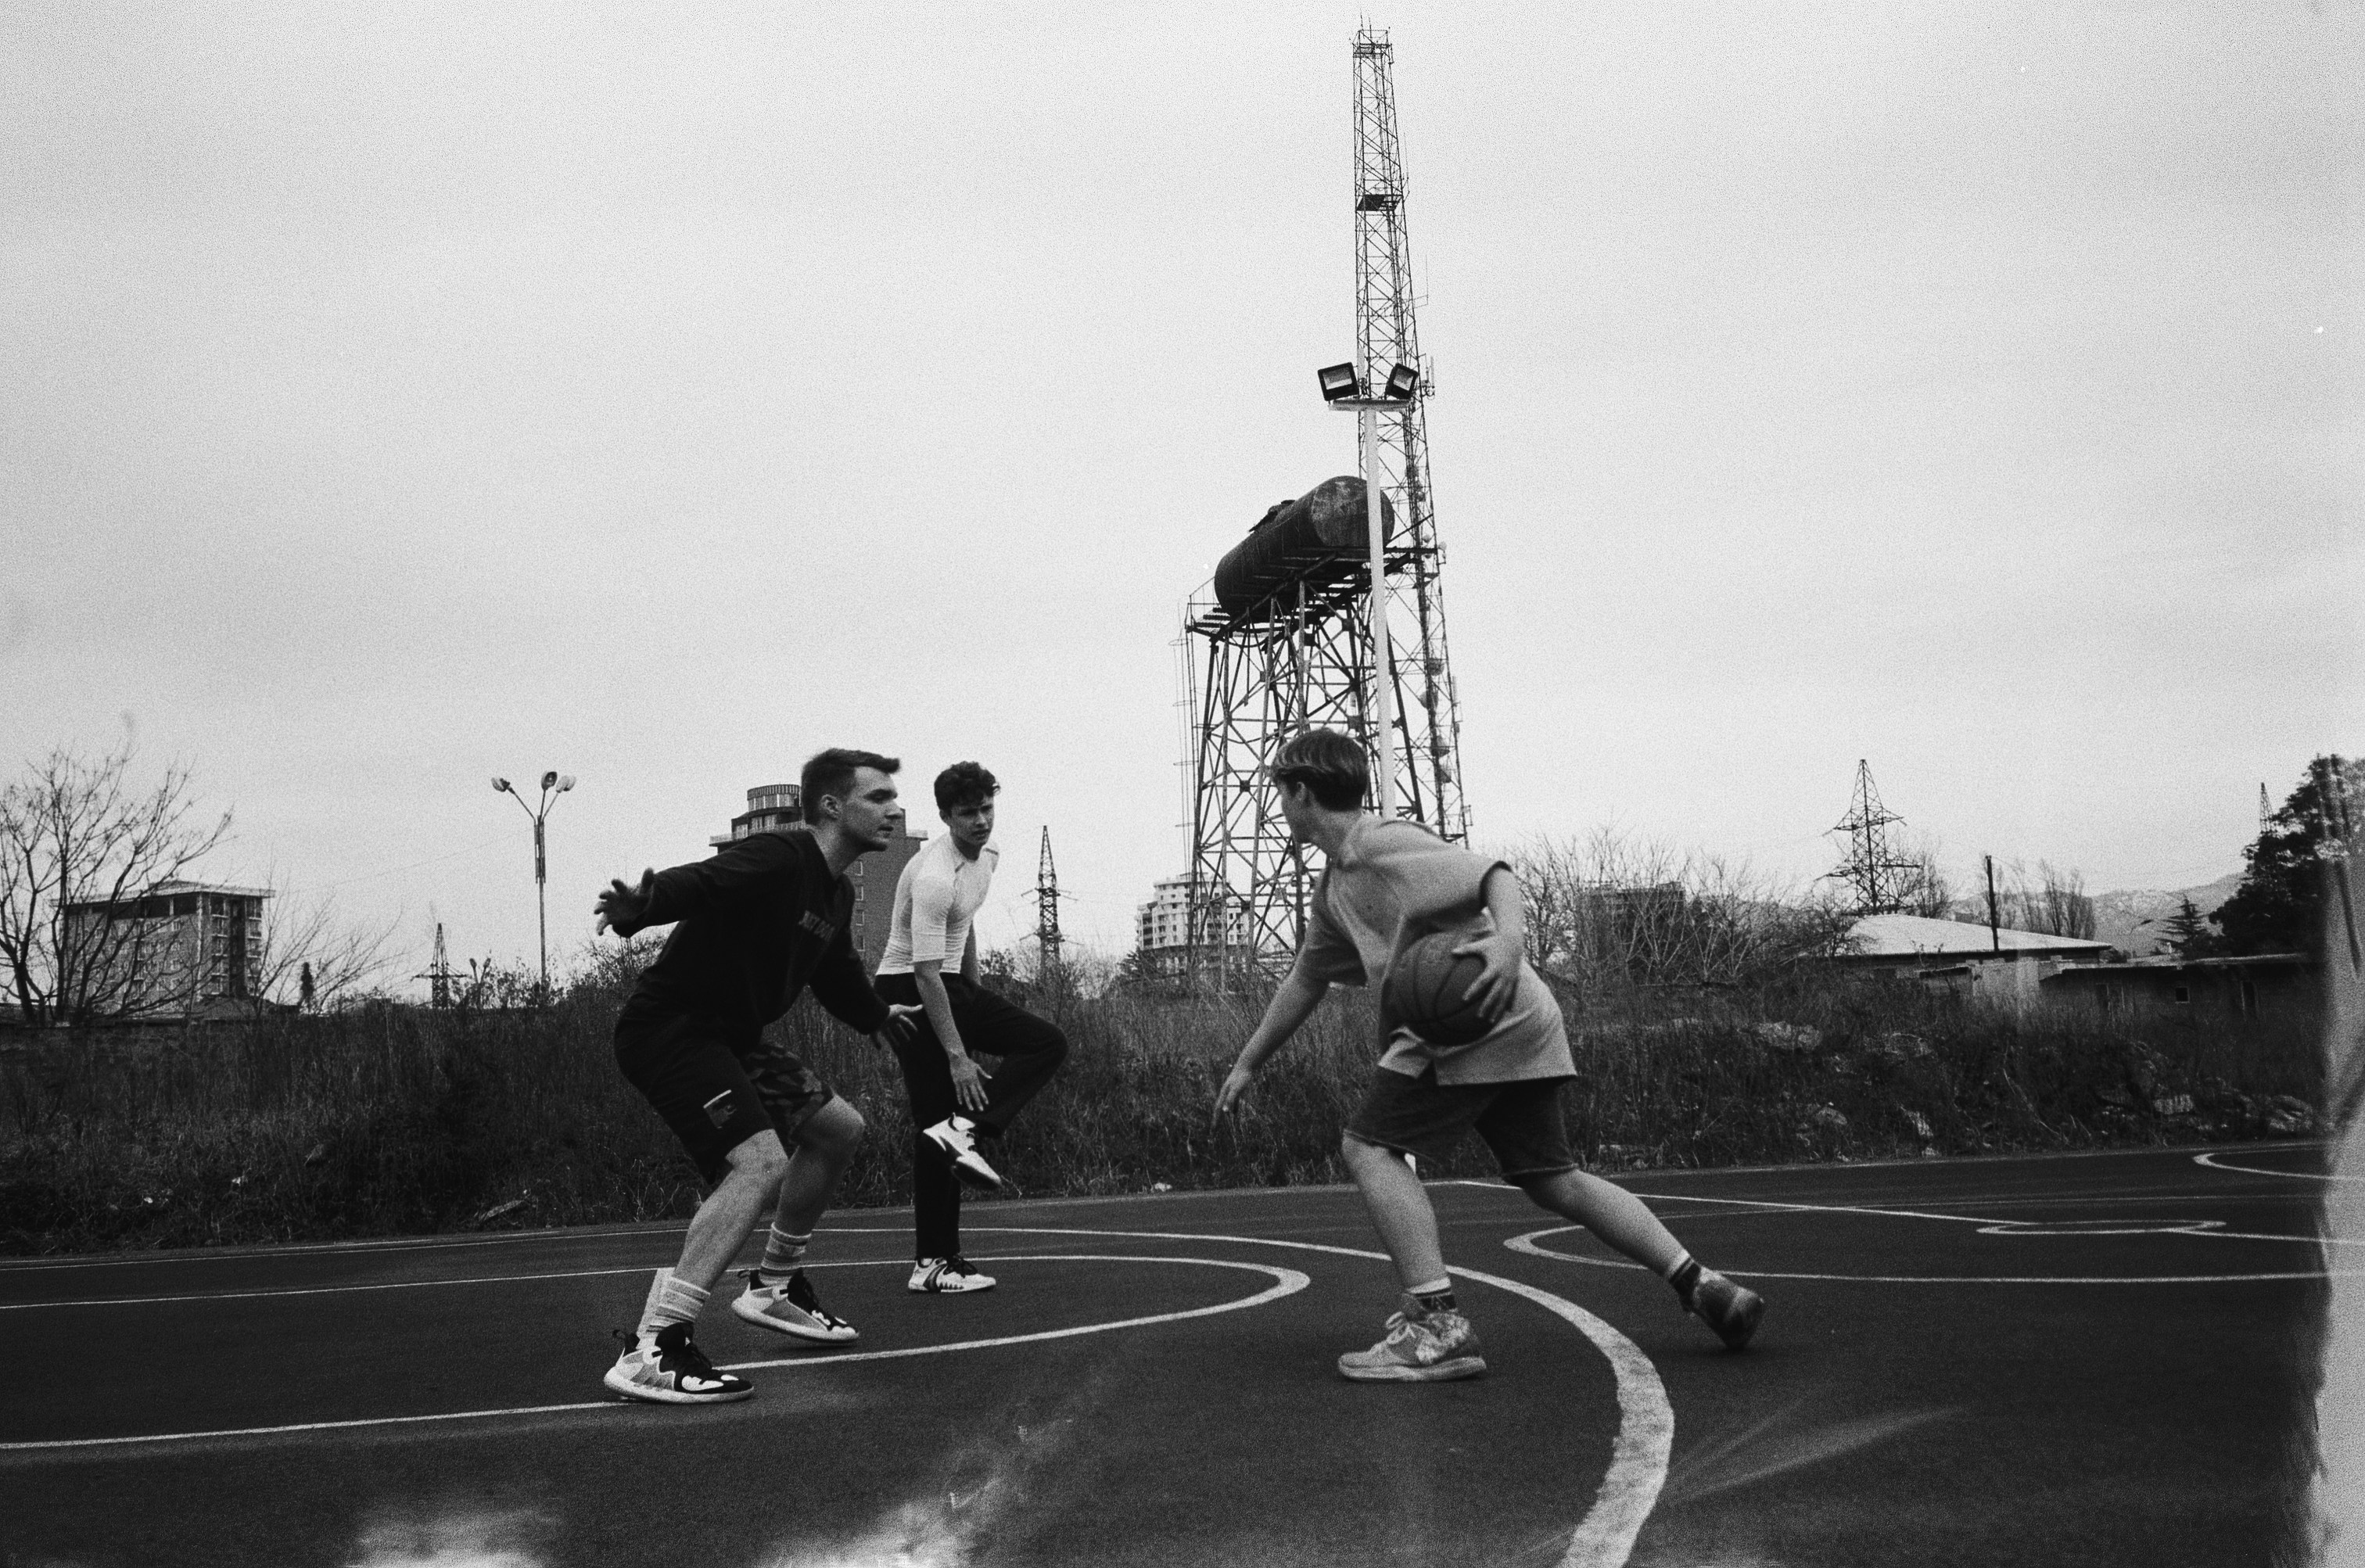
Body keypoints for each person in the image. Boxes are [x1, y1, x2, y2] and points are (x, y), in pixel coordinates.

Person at [1213, 728, 1764, 1382]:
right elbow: (1306, 979)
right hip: (1523, 1020)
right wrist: (1249, 1061)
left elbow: (1494, 875)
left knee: (1368, 1146)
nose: (1279, 805)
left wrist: (1508, 945)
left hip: (1472, 1020)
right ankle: (1704, 1285)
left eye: (1280, 792)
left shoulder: (1380, 841)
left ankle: (1436, 1323)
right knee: (1552, 1177)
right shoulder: (1336, 889)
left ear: (1301, 793)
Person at [592, 748, 924, 1405]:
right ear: (832, 806)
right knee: (758, 1163)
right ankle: (656, 1345)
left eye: (894, 798)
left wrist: (878, 1015)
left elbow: (835, 974)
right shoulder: (781, 856)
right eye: (878, 797)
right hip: (672, 1029)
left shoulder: (836, 891)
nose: (894, 809)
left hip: (732, 1038)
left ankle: (773, 1286)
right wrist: (642, 906)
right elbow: (705, 880)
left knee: (838, 1129)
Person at [874, 762, 1069, 1294]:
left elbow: (968, 923)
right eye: (968, 813)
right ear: (945, 816)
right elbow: (923, 971)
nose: (981, 820)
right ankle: (932, 1262)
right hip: (908, 994)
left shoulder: (989, 855)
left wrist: (977, 997)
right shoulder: (934, 875)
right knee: (934, 1121)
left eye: (987, 808)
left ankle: (967, 1132)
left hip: (952, 984)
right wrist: (960, 1054)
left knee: (1046, 1042)